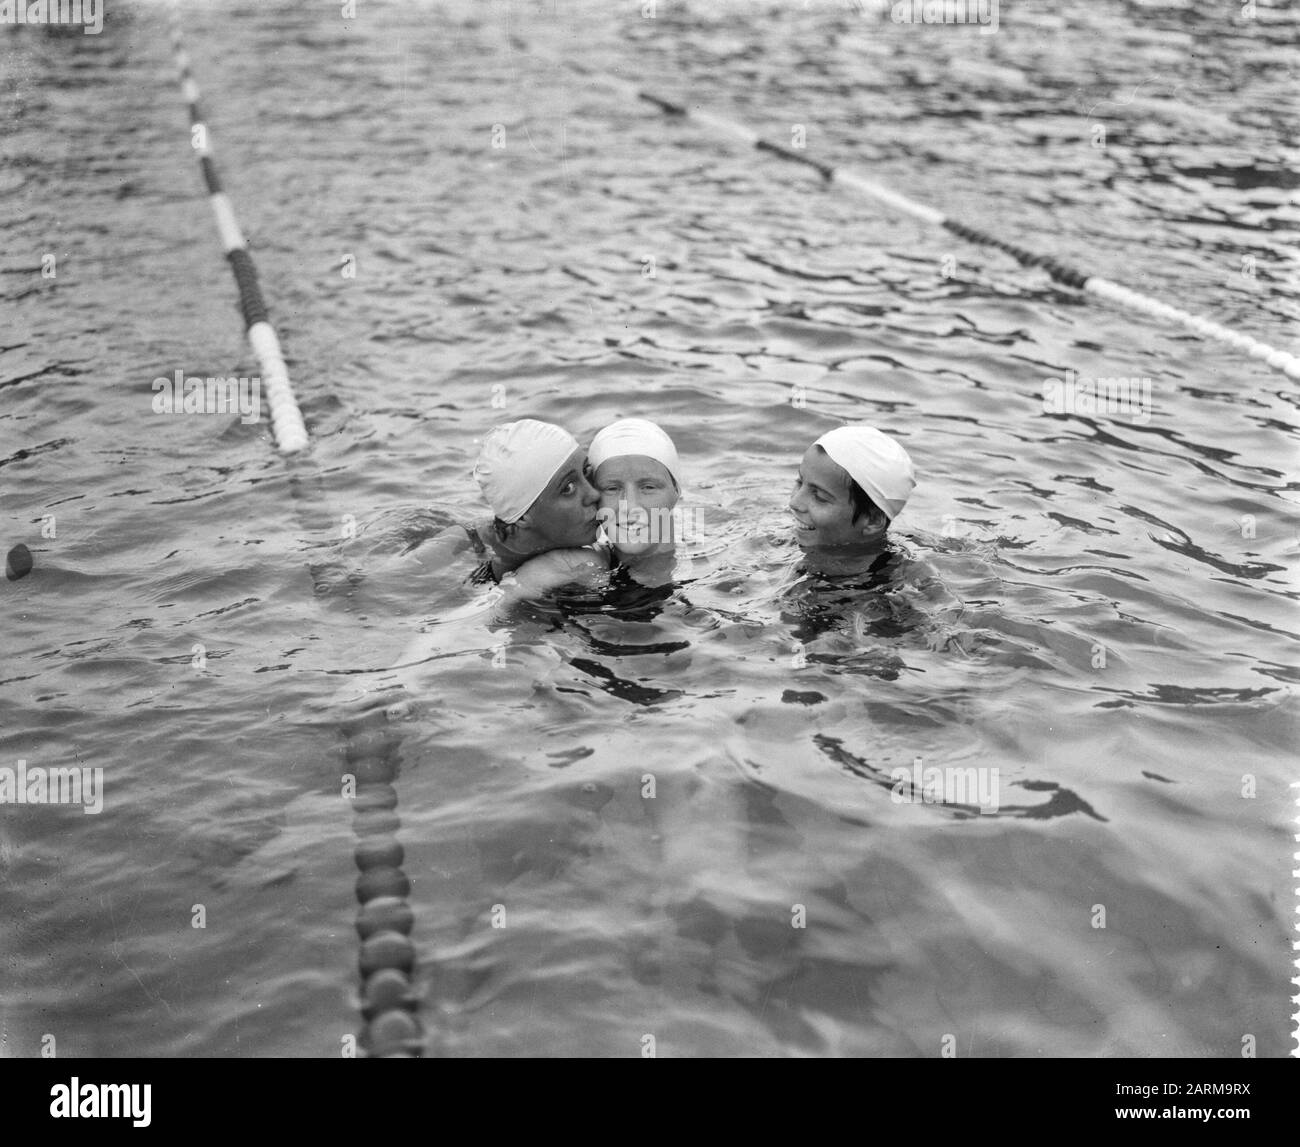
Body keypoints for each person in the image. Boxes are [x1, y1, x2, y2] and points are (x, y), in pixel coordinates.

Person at [383, 419, 609, 598]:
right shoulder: (460, 549)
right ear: (522, 518)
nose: (594, 494)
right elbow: (374, 593)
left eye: (587, 472)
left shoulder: (599, 542)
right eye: (568, 488)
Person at [788, 425, 916, 578]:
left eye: (820, 497)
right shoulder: (777, 543)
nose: (794, 503)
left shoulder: (894, 590)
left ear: (873, 521)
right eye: (799, 482)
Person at [588, 417, 682, 588]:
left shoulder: (718, 566)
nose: (630, 507)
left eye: (648, 487)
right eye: (612, 488)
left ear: (676, 491)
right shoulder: (572, 570)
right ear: (593, 498)